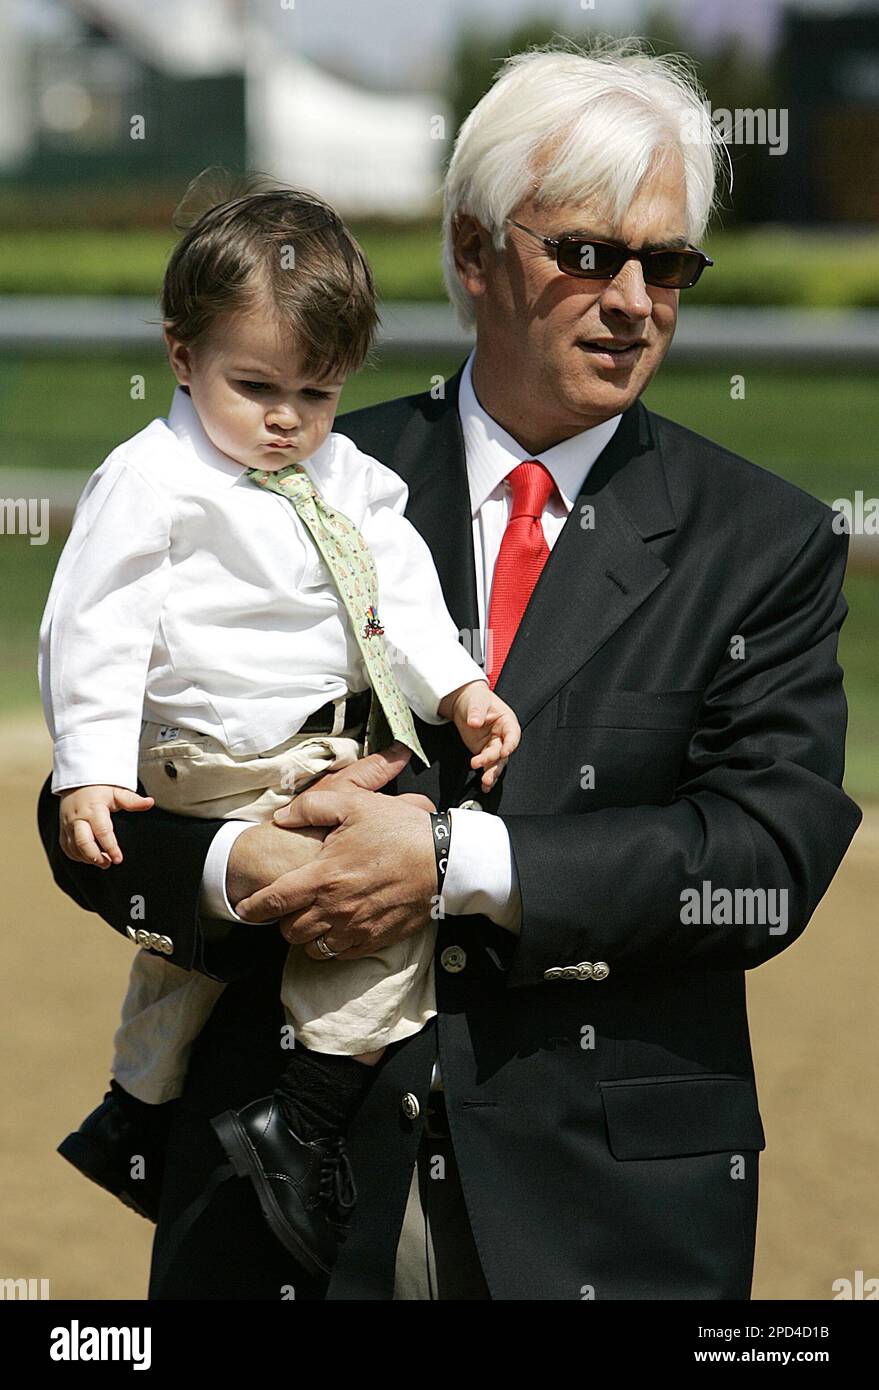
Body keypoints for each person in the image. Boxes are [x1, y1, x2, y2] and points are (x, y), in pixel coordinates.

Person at [39, 39, 862, 1300]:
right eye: (587, 253)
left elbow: (767, 855)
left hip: (602, 1221)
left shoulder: (765, 541)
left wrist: (457, 865)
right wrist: (229, 864)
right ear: (474, 252)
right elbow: (89, 809)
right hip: (279, 1217)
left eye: (667, 262)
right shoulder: (281, 456)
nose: (633, 298)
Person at [38, 183, 519, 1281]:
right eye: (254, 387)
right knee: (369, 927)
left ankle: (133, 1109)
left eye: (317, 391)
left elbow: (398, 599)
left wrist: (459, 691)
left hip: (308, 752)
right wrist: (92, 771)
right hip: (201, 755)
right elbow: (93, 628)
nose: (286, 418)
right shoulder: (152, 479)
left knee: (190, 956)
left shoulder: (349, 477)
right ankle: (297, 1128)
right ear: (179, 352)